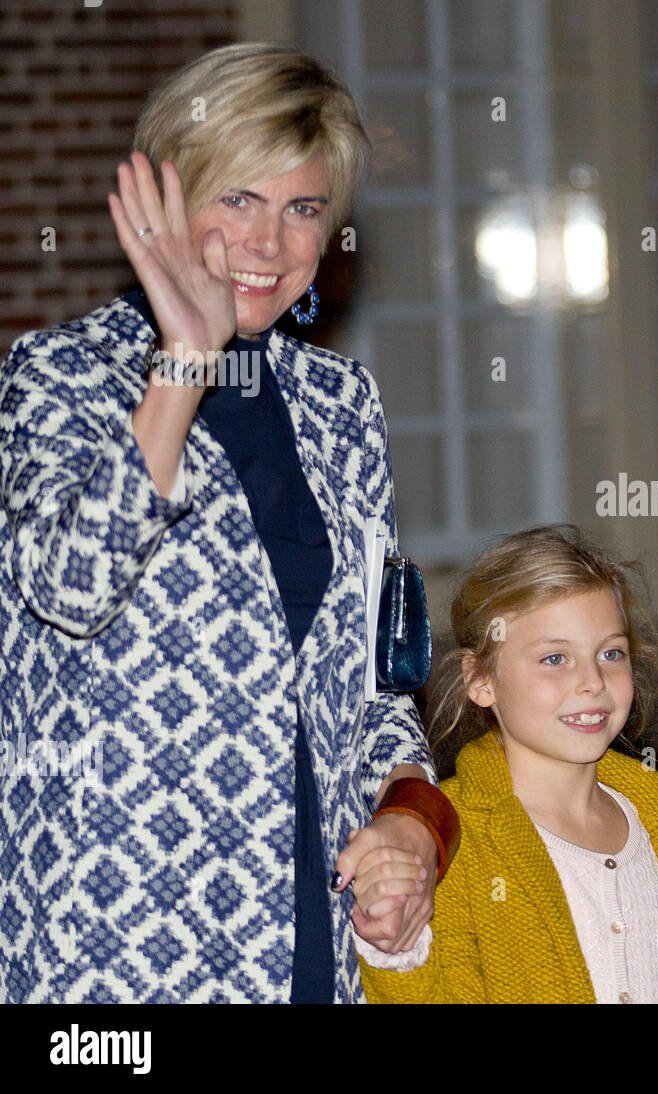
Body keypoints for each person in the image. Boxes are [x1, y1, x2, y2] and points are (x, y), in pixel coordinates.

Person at [0, 42, 455, 1003]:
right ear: (169, 204)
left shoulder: (341, 404)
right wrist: (183, 365)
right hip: (112, 948)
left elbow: (374, 681)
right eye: (238, 199)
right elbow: (71, 592)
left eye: (303, 210)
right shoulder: (58, 379)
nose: (271, 243)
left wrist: (414, 818)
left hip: (310, 933)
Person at [354, 525, 658, 1003]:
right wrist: (396, 949)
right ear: (481, 680)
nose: (592, 680)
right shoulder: (451, 839)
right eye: (555, 658)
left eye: (610, 653)